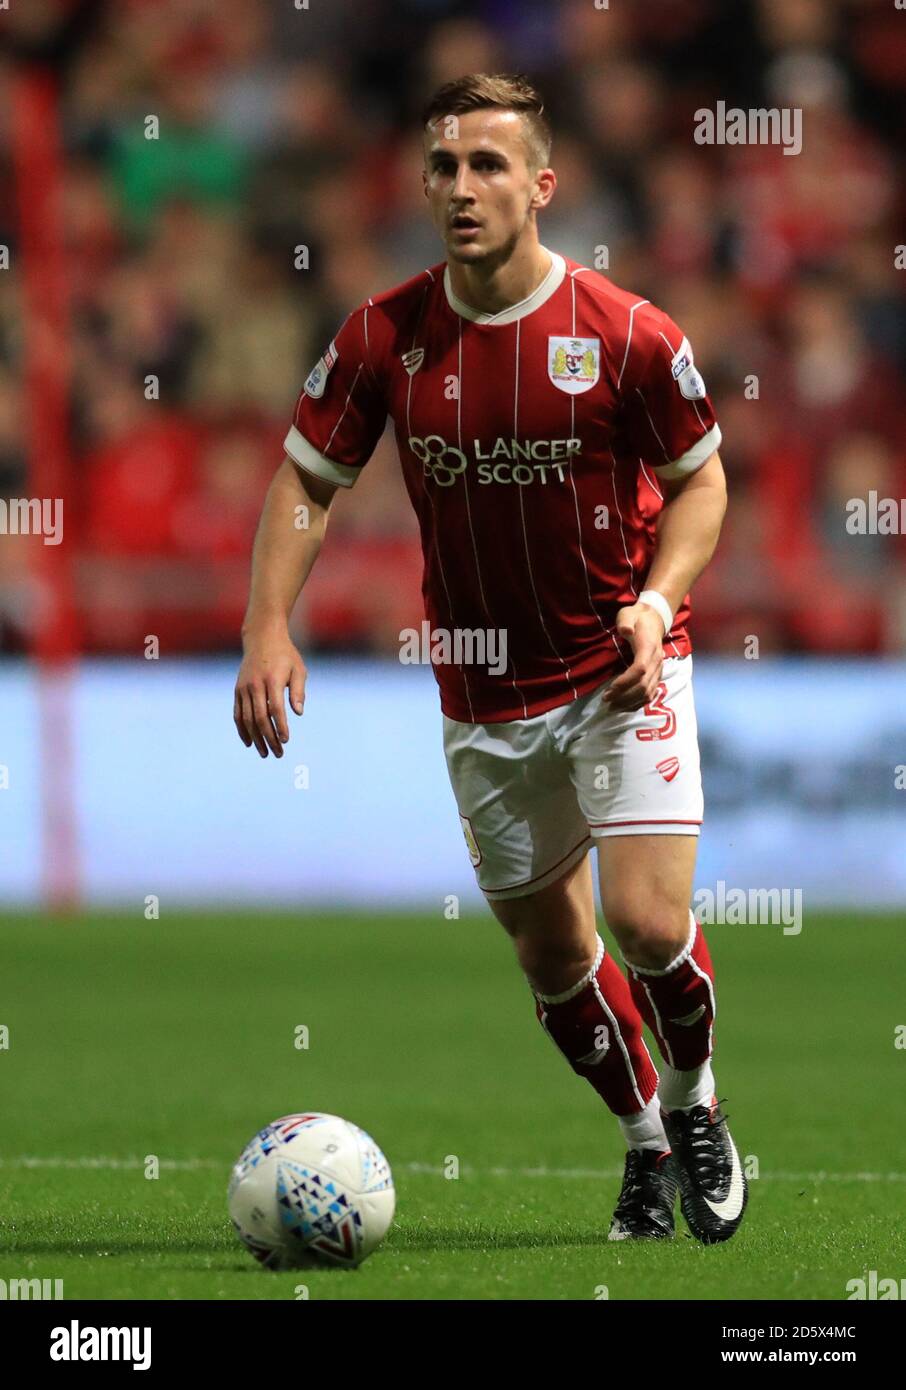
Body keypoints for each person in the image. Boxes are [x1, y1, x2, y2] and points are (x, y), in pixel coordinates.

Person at [234, 72, 745, 1243]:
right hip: (483, 698)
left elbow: (703, 483)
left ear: (543, 185)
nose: (461, 188)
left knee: (650, 924)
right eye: (444, 167)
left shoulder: (624, 332)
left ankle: (698, 1100)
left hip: (619, 674)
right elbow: (307, 483)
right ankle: (643, 1144)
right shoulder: (383, 334)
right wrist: (269, 623)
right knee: (556, 959)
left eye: (489, 166)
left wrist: (660, 604)